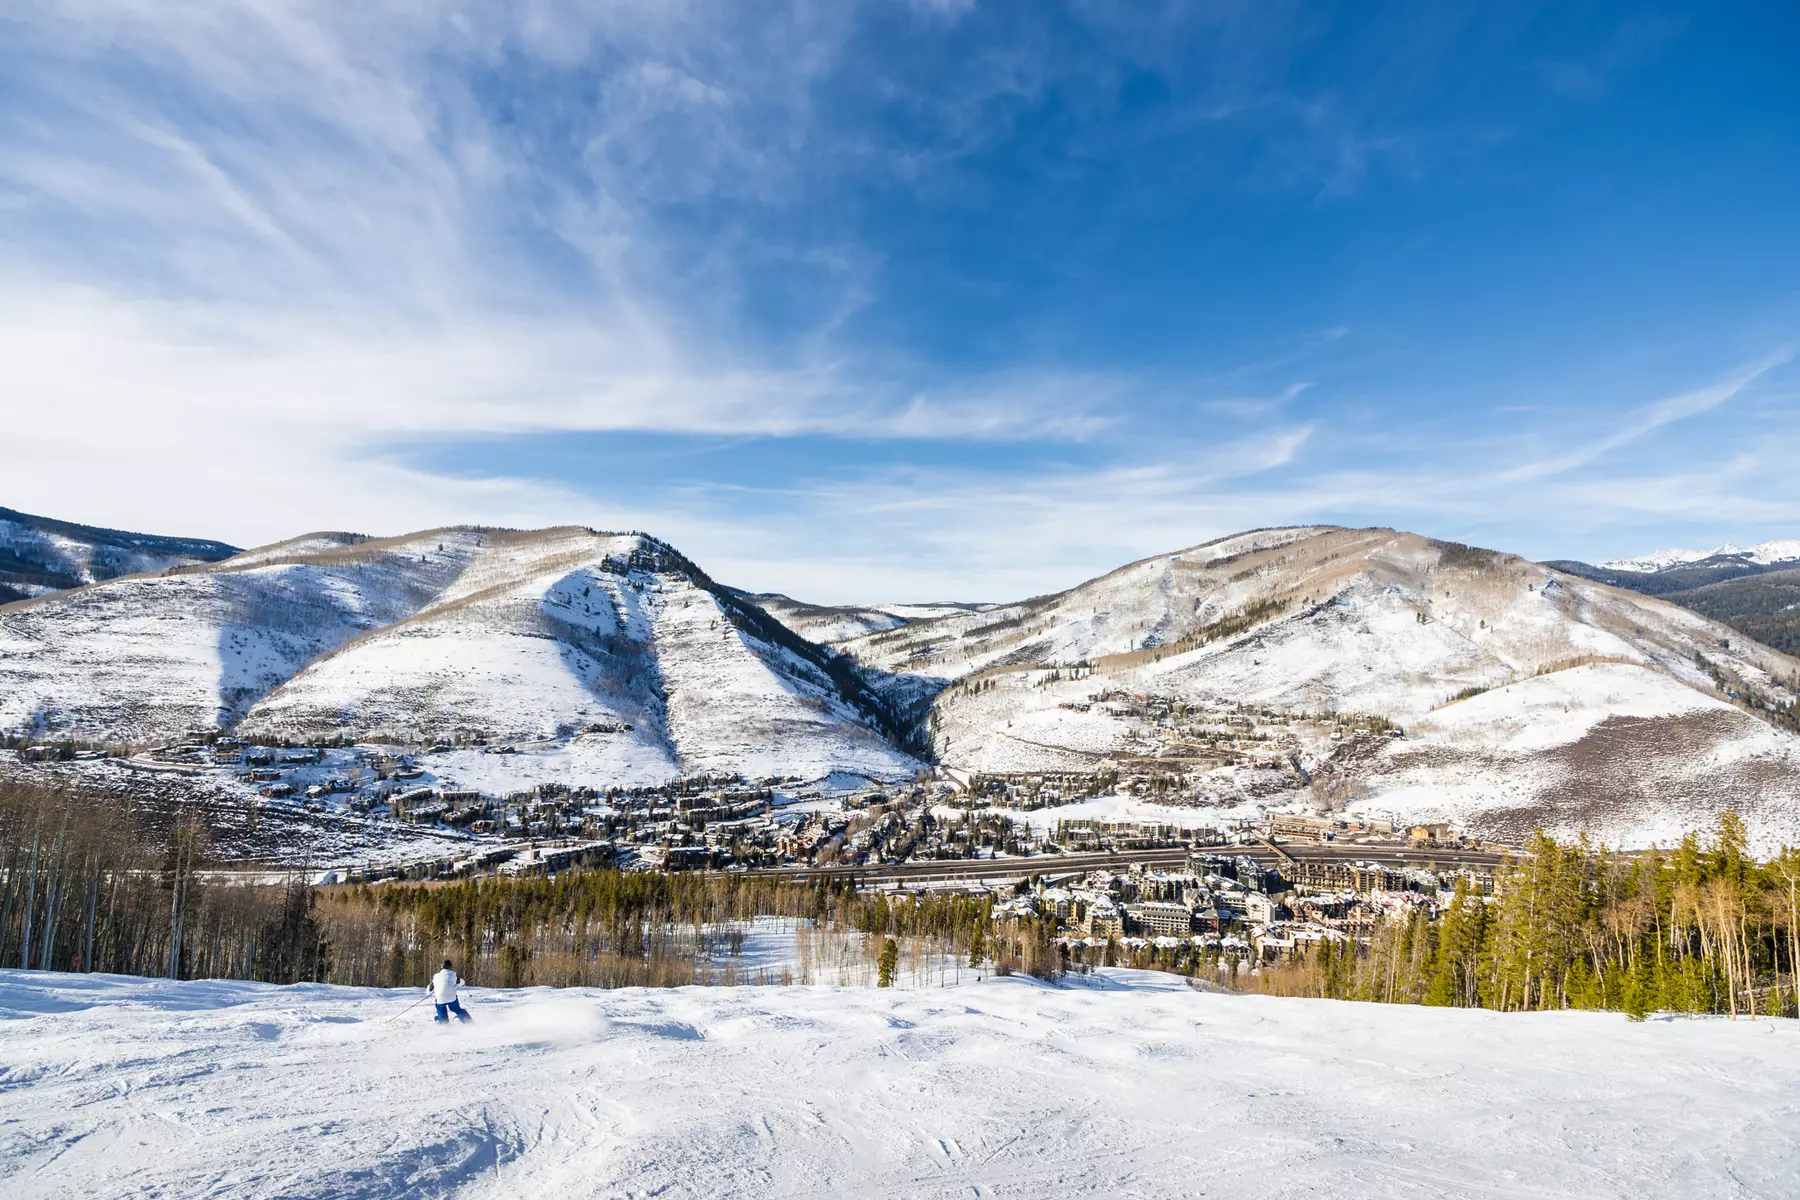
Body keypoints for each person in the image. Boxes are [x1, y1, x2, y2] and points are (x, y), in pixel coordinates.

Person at [429, 959, 471, 1023]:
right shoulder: (454, 974)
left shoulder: (436, 976)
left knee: (441, 1007)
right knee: (456, 1009)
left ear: (441, 967)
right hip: (452, 998)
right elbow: (462, 983)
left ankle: (443, 1022)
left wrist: (432, 992)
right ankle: (468, 1022)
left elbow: (430, 989)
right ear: (450, 967)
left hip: (440, 998)